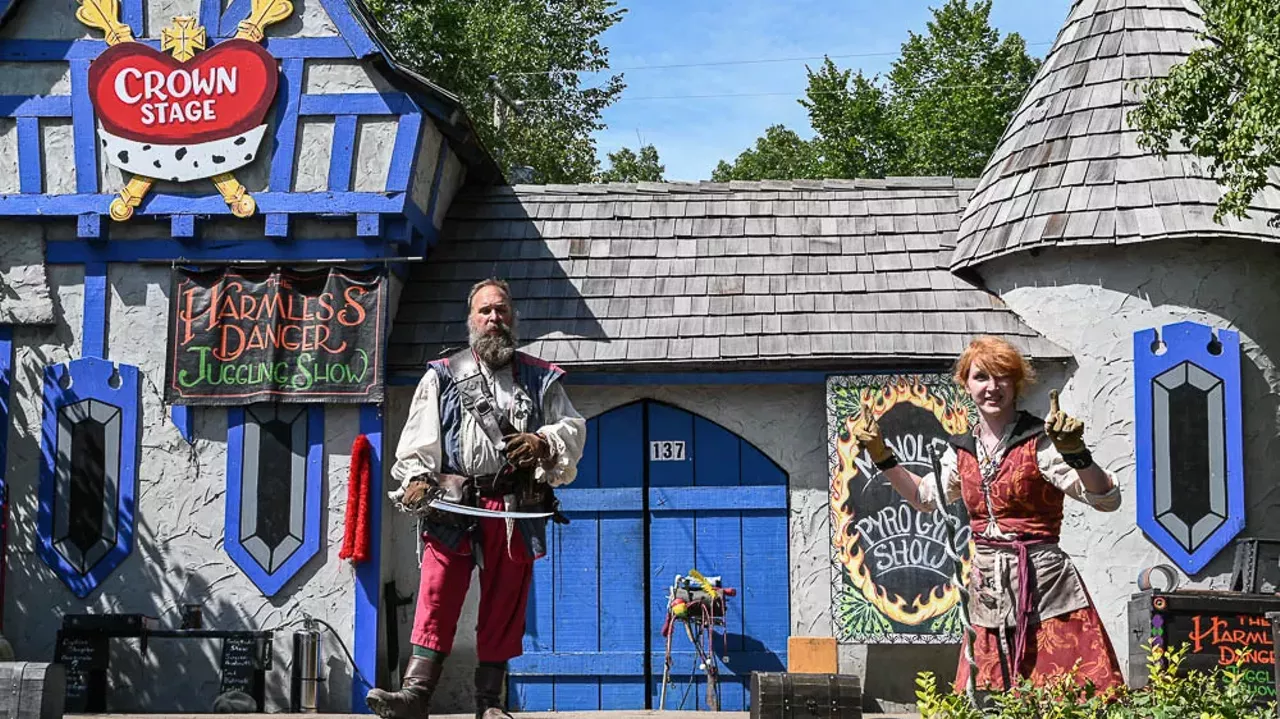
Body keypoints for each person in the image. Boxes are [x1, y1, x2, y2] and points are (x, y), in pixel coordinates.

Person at [850, 335, 1124, 696]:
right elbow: (923, 496)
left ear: (1016, 384)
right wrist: (882, 455)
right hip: (988, 586)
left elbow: (1106, 499)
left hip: (1045, 586)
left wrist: (1077, 454)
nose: (992, 388)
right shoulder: (962, 449)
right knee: (988, 697)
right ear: (966, 384)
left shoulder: (1040, 440)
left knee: (1067, 693)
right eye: (981, 377)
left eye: (1002, 377)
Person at [366, 278, 587, 719]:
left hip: (514, 506)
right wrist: (414, 478)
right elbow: (416, 443)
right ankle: (415, 696)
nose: (493, 319)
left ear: (513, 318)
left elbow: (572, 429)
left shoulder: (542, 378)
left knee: (506, 600)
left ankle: (489, 704)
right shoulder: (442, 375)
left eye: (501, 311)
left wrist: (543, 443)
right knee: (437, 591)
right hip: (453, 503)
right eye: (485, 311)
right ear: (471, 320)